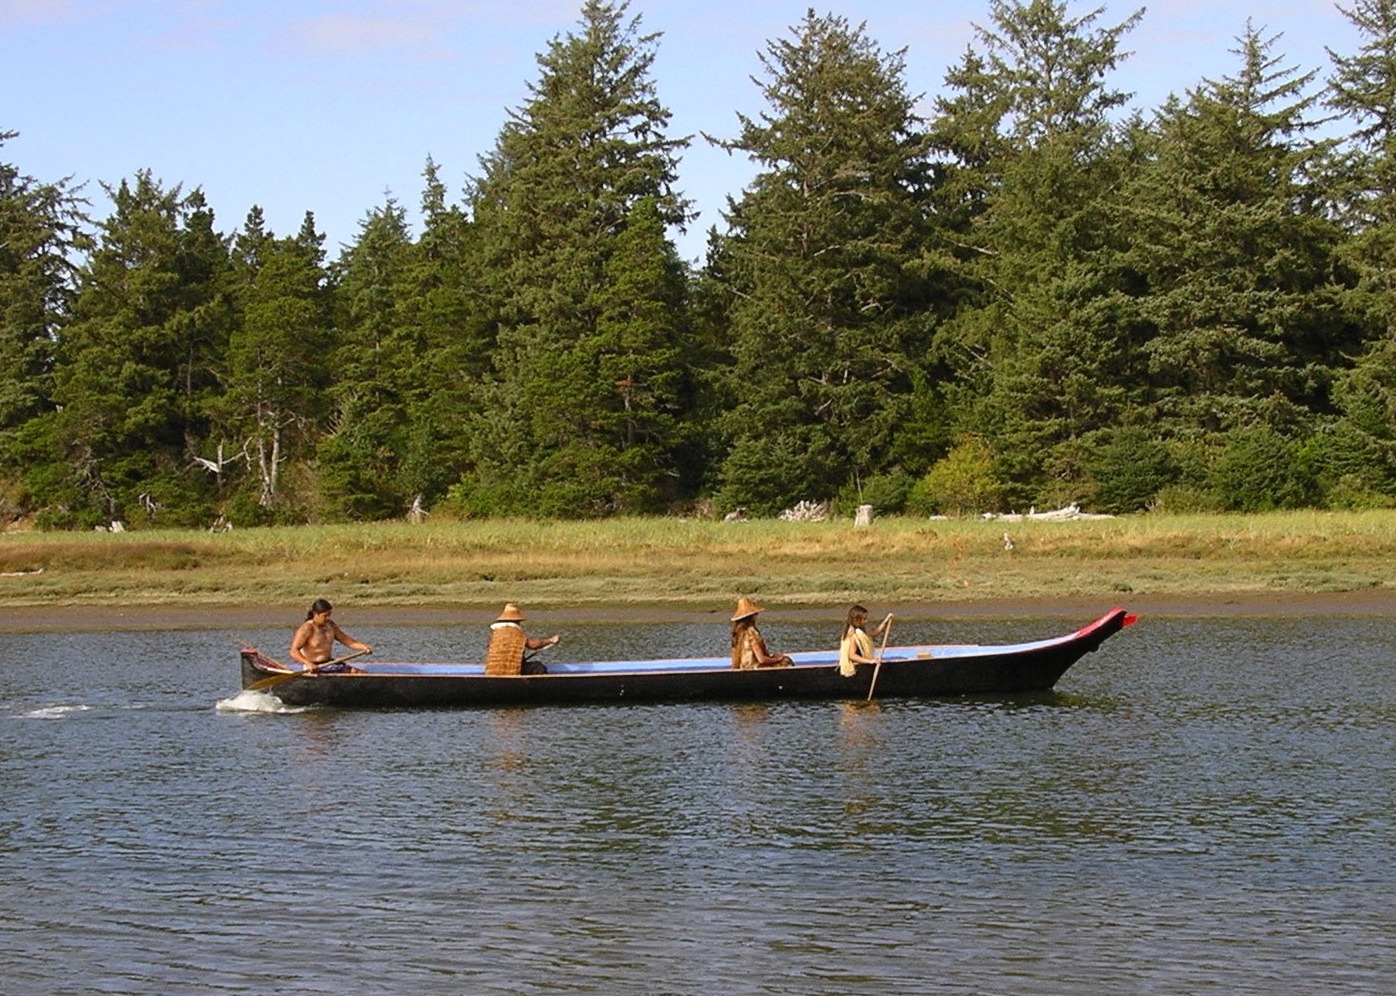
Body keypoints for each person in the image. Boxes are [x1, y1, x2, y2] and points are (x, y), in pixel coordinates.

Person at [289, 598, 373, 670]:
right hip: (314, 667)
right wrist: (308, 663)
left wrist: (363, 647)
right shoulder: (307, 628)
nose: (328, 618)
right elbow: (294, 651)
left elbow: (347, 640)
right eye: (325, 616)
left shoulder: (331, 625)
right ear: (316, 614)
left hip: (328, 663)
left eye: (329, 615)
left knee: (358, 673)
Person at [485, 602, 560, 676]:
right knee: (538, 667)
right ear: (516, 621)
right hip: (512, 670)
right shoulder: (516, 633)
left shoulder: (495, 634)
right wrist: (551, 640)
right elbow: (533, 645)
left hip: (492, 670)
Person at [730, 596, 793, 669]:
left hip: (743, 667)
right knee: (786, 660)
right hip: (753, 667)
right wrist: (777, 659)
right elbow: (761, 659)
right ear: (752, 616)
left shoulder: (737, 633)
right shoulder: (751, 632)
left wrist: (771, 657)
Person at [838, 604, 893, 677]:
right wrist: (870, 661)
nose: (866, 621)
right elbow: (852, 655)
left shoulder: (861, 630)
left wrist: (886, 620)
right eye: (864, 619)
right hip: (855, 666)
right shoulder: (853, 634)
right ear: (856, 620)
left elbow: (875, 632)